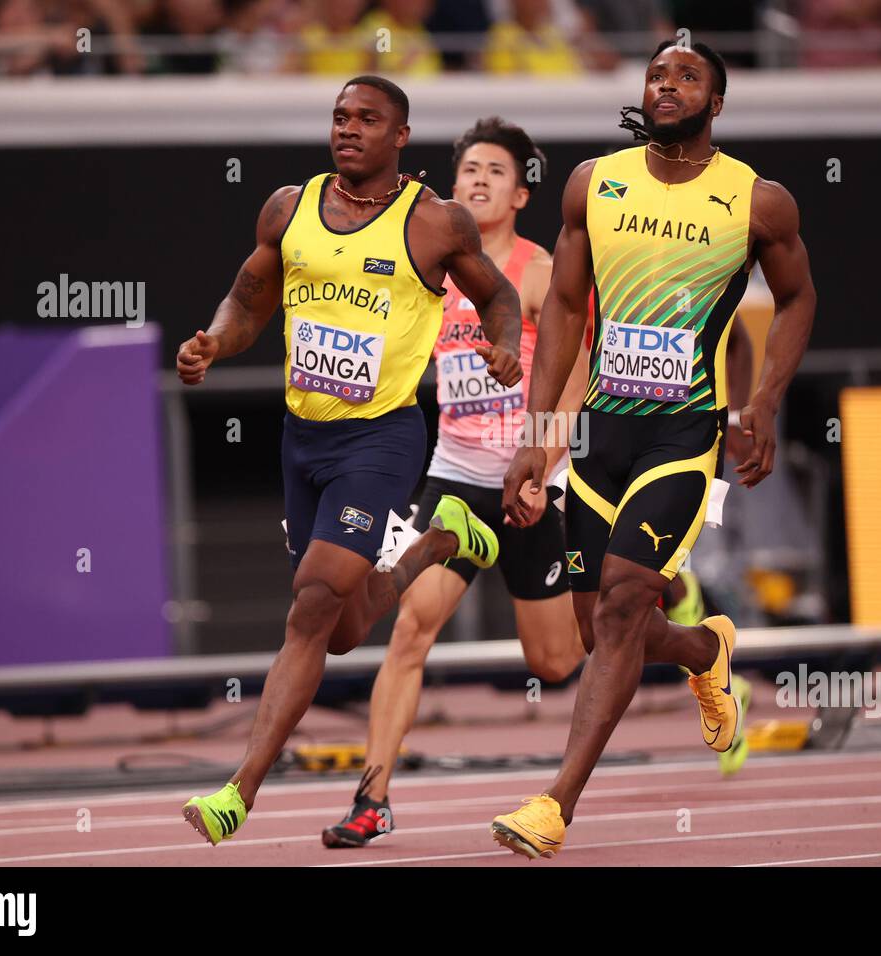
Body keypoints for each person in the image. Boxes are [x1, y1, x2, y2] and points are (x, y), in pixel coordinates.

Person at [175, 75, 524, 846]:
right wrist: (212, 340)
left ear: (400, 136)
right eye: (340, 116)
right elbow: (249, 300)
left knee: (310, 603)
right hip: (303, 441)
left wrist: (502, 342)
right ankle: (442, 540)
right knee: (338, 628)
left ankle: (240, 791)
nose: (349, 128)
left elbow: (500, 295)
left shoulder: (435, 224)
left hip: (382, 439)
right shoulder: (287, 208)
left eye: (368, 118)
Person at [493, 40, 817, 858]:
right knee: (601, 632)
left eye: (687, 77)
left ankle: (555, 803)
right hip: (602, 429)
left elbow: (797, 298)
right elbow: (564, 308)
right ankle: (707, 648)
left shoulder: (756, 202)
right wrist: (539, 436)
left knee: (624, 601)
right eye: (656, 75)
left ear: (717, 102)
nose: (666, 86)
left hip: (683, 433)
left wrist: (764, 403)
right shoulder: (594, 184)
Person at [321, 116, 587, 848]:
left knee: (556, 660)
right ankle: (371, 801)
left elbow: (576, 383)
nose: (476, 179)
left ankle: (672, 615)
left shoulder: (538, 274)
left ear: (523, 194)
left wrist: (542, 468)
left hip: (531, 479)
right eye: (468, 168)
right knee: (409, 629)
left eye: (495, 171)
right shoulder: (432, 273)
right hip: (456, 480)